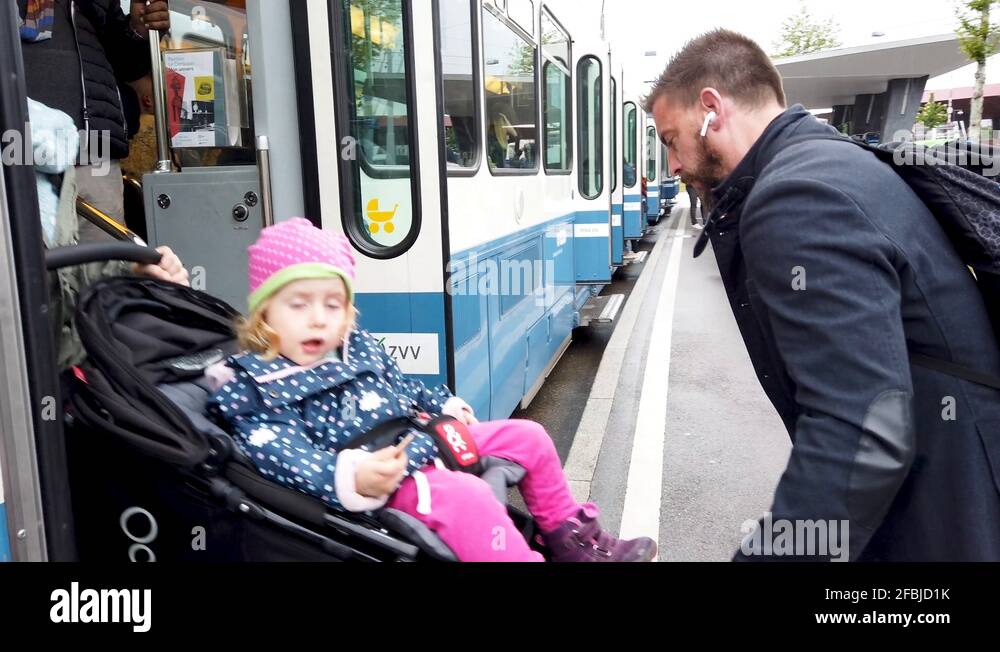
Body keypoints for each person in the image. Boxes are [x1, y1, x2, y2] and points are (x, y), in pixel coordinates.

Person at [645, 29, 1000, 561]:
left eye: (671, 139)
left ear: (711, 110)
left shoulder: (796, 197)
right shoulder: (833, 161)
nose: (672, 165)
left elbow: (860, 429)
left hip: (941, 517)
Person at [206, 218, 657, 562]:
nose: (320, 319)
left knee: (531, 438)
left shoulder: (354, 345)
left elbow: (404, 385)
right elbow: (283, 457)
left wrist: (443, 402)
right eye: (299, 304)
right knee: (471, 499)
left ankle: (570, 540)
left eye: (333, 304)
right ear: (264, 314)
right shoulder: (257, 386)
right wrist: (351, 476)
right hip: (384, 478)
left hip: (421, 438)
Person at [30, 98, 188, 369]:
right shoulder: (42, 141)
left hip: (65, 365)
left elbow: (56, 278)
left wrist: (132, 269)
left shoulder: (44, 151)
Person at [17, 0, 170, 242]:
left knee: (102, 262)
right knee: (22, 266)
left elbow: (128, 67)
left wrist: (139, 30)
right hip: (18, 146)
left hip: (93, 148)